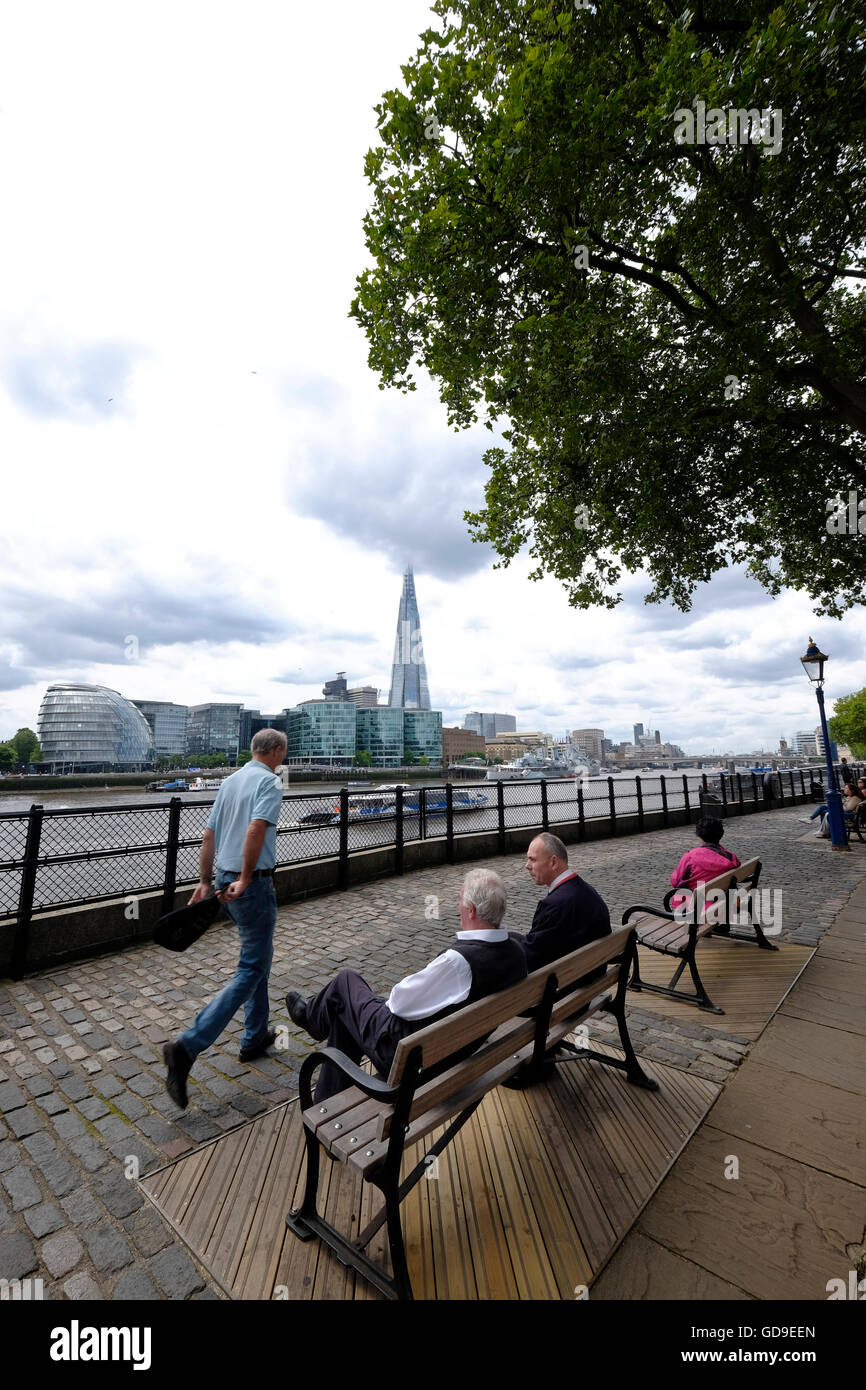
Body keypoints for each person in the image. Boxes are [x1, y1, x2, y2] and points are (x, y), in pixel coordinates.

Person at [285, 868, 526, 1102]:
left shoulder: (459, 963)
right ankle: (327, 1099)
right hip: (452, 1049)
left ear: (471, 911)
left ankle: (312, 1018)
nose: (458, 906)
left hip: (405, 1058)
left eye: (460, 900)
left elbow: (398, 1003)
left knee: (346, 981)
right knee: (345, 1014)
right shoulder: (516, 951)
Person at [163, 728, 288, 1108]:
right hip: (251, 886)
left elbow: (208, 836)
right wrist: (248, 878)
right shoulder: (269, 782)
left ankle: (253, 1036)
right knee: (251, 967)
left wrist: (204, 882)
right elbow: (256, 829)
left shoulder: (230, 782)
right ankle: (187, 1046)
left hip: (221, 880)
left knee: (257, 956)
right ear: (277, 751)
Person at [511, 832, 611, 973]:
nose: (527, 865)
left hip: (567, 984)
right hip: (591, 974)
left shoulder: (554, 905)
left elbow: (530, 958)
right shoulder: (587, 891)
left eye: (532, 860)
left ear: (553, 862)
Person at [669, 817, 741, 921]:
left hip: (696, 905)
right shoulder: (730, 857)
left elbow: (676, 881)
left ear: (699, 835)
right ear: (721, 834)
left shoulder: (690, 856)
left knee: (682, 892)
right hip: (724, 901)